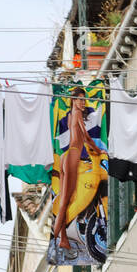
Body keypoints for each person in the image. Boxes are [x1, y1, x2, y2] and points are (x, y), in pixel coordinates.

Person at [51, 86, 92, 261]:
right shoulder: (76, 114)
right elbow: (86, 138)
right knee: (66, 201)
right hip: (73, 156)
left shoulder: (68, 116)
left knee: (64, 202)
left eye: (84, 99)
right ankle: (56, 239)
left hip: (65, 157)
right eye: (80, 99)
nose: (83, 103)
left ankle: (64, 240)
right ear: (73, 100)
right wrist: (98, 150)